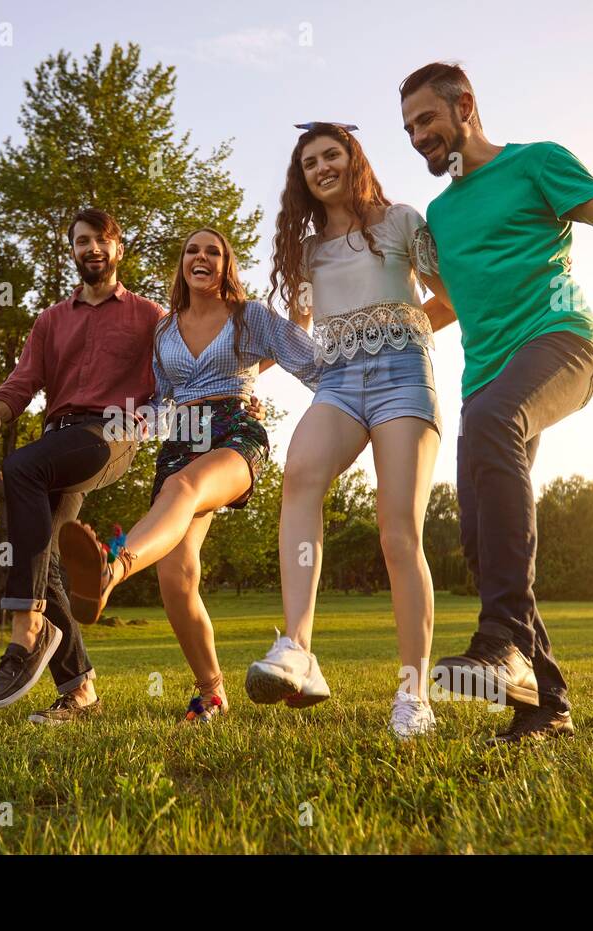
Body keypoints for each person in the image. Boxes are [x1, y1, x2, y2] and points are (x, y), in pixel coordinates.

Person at [399, 62, 593, 744]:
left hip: (561, 342)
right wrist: (398, 328)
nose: (419, 136)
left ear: (465, 107)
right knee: (482, 543)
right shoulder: (441, 215)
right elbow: (453, 298)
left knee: (492, 421)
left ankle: (501, 643)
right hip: (485, 376)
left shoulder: (536, 163)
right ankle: (546, 705)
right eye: (410, 128)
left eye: (427, 119)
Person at [243, 122, 456, 739]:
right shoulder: (306, 253)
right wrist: (244, 374)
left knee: (397, 534)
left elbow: (451, 297)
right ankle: (299, 650)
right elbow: (296, 328)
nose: (321, 166)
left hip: (402, 379)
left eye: (331, 154)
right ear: (301, 177)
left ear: (353, 158)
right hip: (337, 381)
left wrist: (402, 333)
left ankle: (414, 695)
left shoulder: (400, 222)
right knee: (300, 474)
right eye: (309, 161)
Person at [57, 227, 320, 723]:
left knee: (183, 488)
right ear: (182, 264)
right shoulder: (163, 330)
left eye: (213, 251)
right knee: (175, 578)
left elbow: (306, 359)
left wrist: (358, 394)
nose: (202, 257)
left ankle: (112, 563)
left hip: (236, 429)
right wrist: (135, 421)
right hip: (182, 436)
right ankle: (211, 691)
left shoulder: (251, 316)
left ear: (226, 264)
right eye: (192, 250)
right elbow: (162, 399)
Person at [0, 208, 163, 725]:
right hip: (57, 439)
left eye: (101, 240)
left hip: (113, 434)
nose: (92, 249)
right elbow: (23, 379)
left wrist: (236, 392)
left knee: (19, 470)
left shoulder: (149, 315)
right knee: (46, 557)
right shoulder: (51, 319)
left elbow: (189, 362)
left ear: (117, 248)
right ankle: (79, 688)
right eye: (82, 242)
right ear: (73, 252)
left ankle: (24, 630)